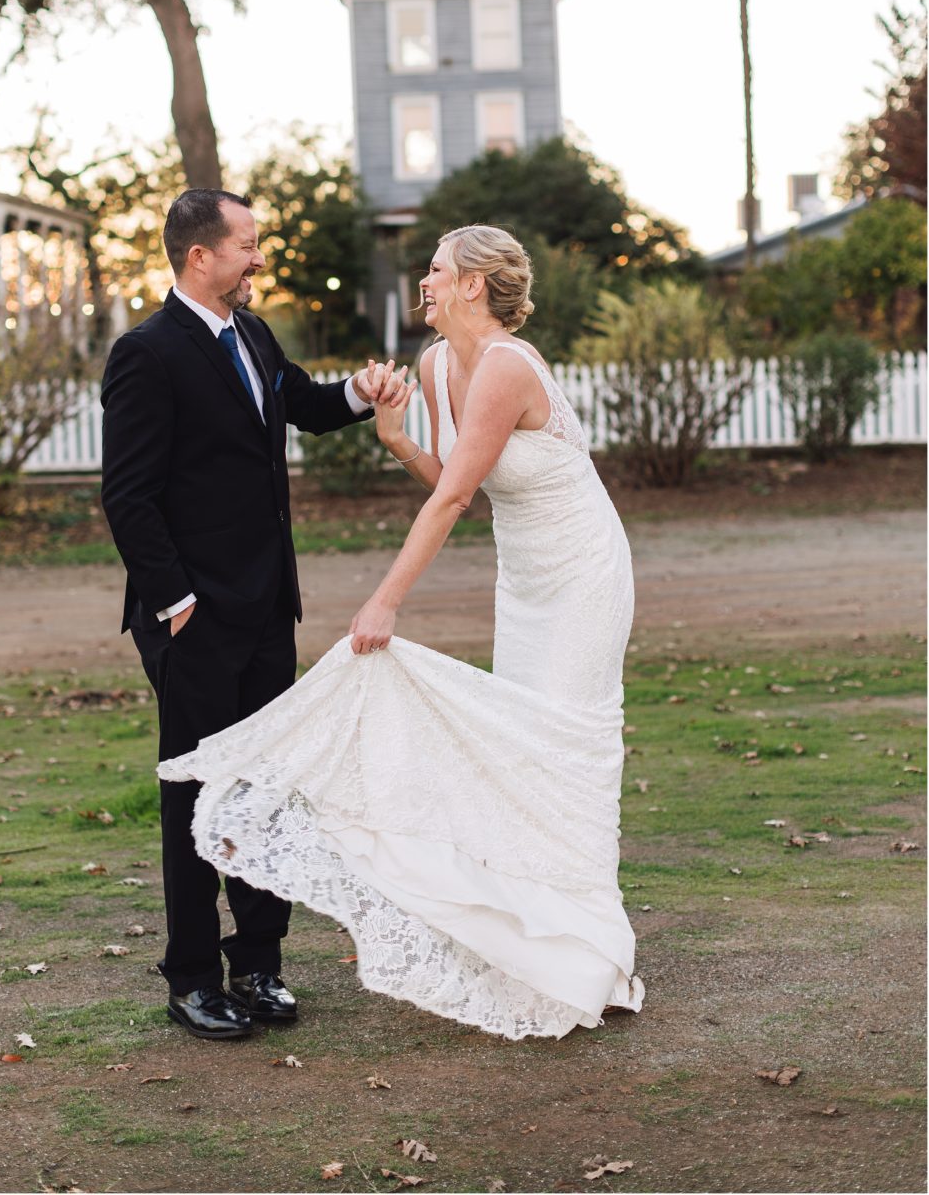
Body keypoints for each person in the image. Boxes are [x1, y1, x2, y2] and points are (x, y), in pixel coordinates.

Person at [160, 223, 645, 1040]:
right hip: (524, 574)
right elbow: (459, 480)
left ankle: (588, 952)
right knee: (520, 753)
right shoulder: (433, 364)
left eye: (435, 270)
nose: (423, 282)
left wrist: (384, 600)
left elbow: (454, 501)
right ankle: (528, 940)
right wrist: (393, 437)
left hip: (582, 573)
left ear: (473, 285)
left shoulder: (505, 365)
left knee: (563, 748)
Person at [101, 188, 401, 1042]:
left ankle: (259, 966)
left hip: (269, 607)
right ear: (202, 256)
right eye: (248, 244)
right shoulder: (147, 354)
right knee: (197, 797)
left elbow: (301, 403)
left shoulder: (253, 335)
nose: (259, 257)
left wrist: (359, 392)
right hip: (193, 619)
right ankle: (193, 978)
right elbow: (127, 497)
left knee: (269, 790)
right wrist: (176, 600)